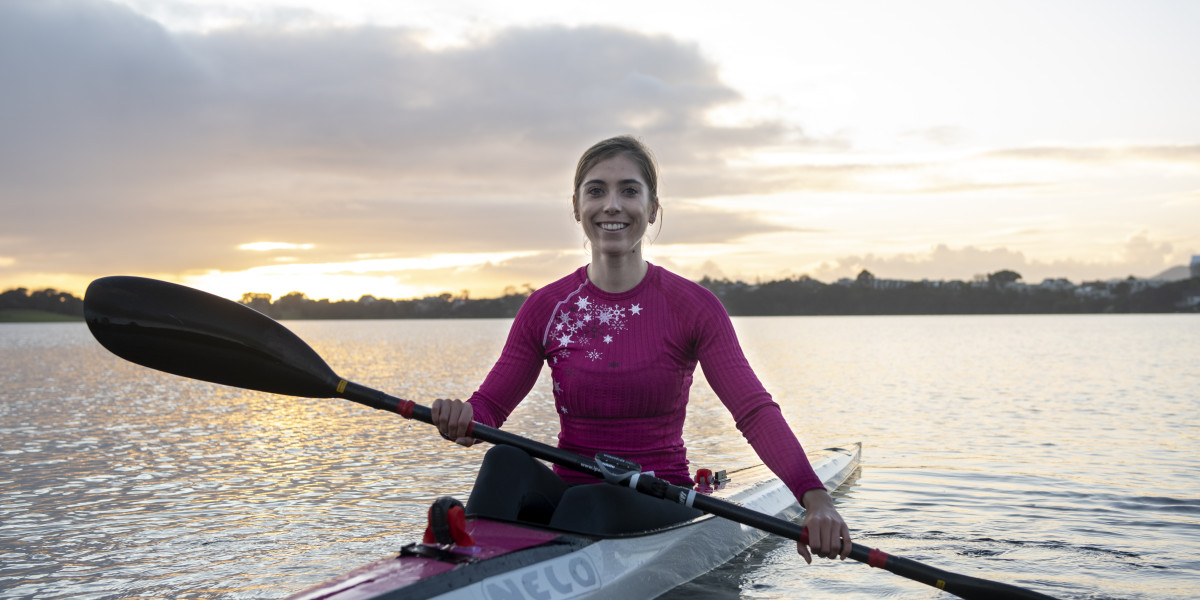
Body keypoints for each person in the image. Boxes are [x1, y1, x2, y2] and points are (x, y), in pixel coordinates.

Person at [432, 135, 851, 562]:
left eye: (629, 191)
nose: (612, 204)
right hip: (570, 497)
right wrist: (461, 417)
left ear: (652, 209)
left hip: (659, 499)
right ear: (576, 207)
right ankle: (463, 569)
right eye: (596, 190)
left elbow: (753, 410)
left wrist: (814, 499)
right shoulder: (547, 308)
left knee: (589, 502)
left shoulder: (692, 307)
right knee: (503, 459)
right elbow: (486, 411)